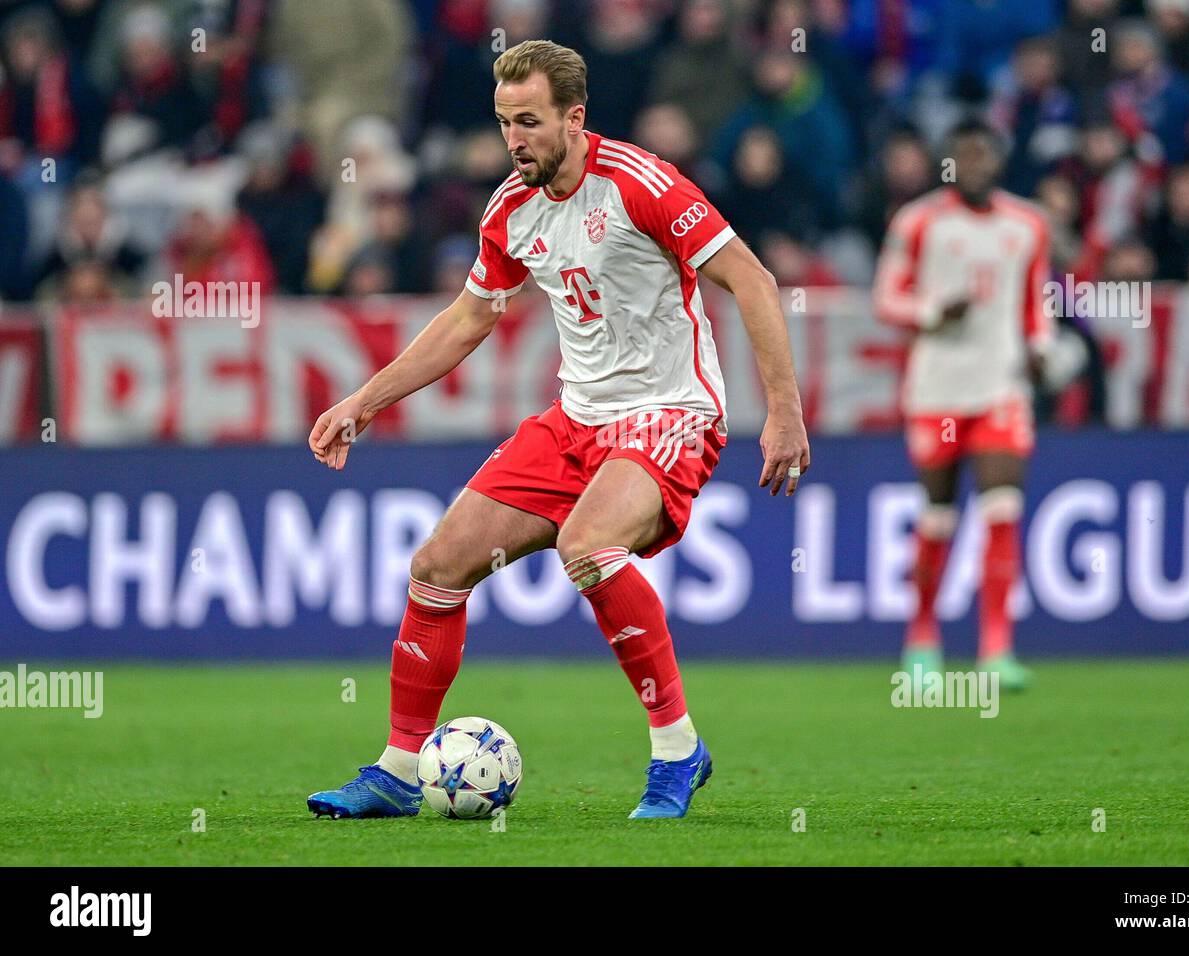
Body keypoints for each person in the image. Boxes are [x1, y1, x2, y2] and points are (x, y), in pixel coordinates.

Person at [305, 40, 810, 819]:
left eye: (531, 122)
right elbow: (471, 316)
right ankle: (400, 769)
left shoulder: (640, 184)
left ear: (575, 119)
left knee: (587, 547)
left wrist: (783, 410)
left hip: (670, 413)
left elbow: (751, 277)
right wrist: (362, 402)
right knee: (438, 567)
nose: (515, 139)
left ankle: (678, 751)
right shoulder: (511, 205)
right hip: (576, 420)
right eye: (506, 122)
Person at [872, 118, 1055, 691]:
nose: (974, 164)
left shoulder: (1027, 224)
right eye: (963, 155)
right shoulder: (919, 220)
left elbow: (1035, 302)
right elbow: (886, 298)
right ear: (948, 162)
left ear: (997, 160)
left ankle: (996, 649)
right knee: (939, 514)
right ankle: (922, 638)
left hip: (1001, 384)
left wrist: (1042, 349)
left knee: (1002, 509)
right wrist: (931, 312)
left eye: (983, 155)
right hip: (938, 388)